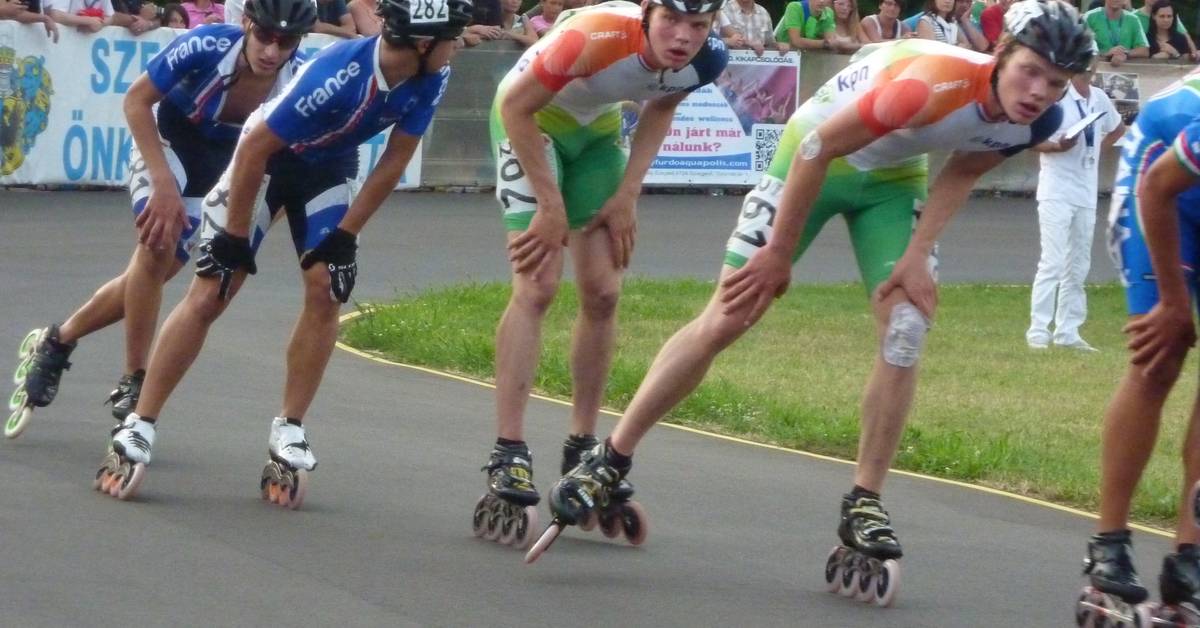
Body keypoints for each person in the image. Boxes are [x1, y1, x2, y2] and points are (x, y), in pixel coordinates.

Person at [532, 0, 1092, 595]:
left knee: (907, 328)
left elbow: (962, 168)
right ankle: (611, 458)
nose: (1037, 91)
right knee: (731, 314)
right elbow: (816, 150)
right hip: (816, 157)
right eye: (1029, 71)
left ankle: (865, 502)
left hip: (891, 180)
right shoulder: (930, 86)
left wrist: (916, 254)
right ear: (1002, 54)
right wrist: (777, 253)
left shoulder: (1039, 119)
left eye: (1054, 83)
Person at [97, 0, 473, 503]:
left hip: (327, 167)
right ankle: (140, 421)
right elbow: (253, 149)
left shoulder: (433, 76)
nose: (458, 48)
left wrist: (346, 235)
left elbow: (395, 159)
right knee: (213, 291)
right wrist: (231, 238)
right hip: (267, 162)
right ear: (424, 43)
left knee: (327, 288)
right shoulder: (340, 74)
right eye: (453, 38)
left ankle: (290, 426)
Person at [475, 0, 728, 548]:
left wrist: (628, 193)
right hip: (529, 121)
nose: (683, 37)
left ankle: (582, 444)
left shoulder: (706, 59)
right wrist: (549, 204)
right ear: (647, 13)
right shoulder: (591, 37)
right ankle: (508, 451)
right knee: (538, 285)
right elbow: (516, 108)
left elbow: (660, 107)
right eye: (671, 21)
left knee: (604, 291)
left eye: (698, 26)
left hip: (595, 134)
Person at [7, 0, 314, 441]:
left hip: (223, 170)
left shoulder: (298, 80)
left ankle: (57, 340)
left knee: (154, 271)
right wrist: (162, 182)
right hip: (168, 147)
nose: (272, 50)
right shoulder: (206, 44)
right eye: (265, 36)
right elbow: (136, 101)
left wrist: (252, 222)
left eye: (285, 42)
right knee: (157, 243)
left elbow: (286, 163)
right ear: (246, 24)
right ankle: (135, 377)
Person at [1074, 69, 1200, 626]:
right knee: (1160, 359)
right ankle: (1110, 541)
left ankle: (1189, 556)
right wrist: (1174, 303)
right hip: (1159, 180)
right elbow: (1156, 189)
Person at [1026, 58, 1124, 352]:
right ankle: (1038, 331)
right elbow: (1030, 138)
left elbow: (1117, 128)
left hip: (1085, 190)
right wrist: (1057, 147)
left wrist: (1093, 151)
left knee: (1079, 264)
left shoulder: (1099, 97)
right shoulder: (1057, 97)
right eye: (1084, 63)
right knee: (1053, 261)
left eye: (1092, 62)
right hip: (1056, 188)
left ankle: (1068, 330)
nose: (1090, 69)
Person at [1084, 0, 1149, 66]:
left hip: (1125, 71)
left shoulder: (1133, 19)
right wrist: (1106, 54)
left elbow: (1144, 51)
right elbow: (1080, 50)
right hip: (1096, 69)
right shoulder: (1089, 17)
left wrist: (1125, 53)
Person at [775, 0, 848, 52]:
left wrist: (829, 43)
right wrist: (824, 44)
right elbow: (796, 41)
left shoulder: (828, 12)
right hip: (785, 55)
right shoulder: (794, 7)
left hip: (808, 54)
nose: (821, 1)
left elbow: (831, 41)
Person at [719, 0, 786, 55]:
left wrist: (778, 45)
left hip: (757, 68)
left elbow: (769, 43)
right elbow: (711, 41)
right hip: (729, 66)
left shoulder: (763, 12)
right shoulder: (722, 11)